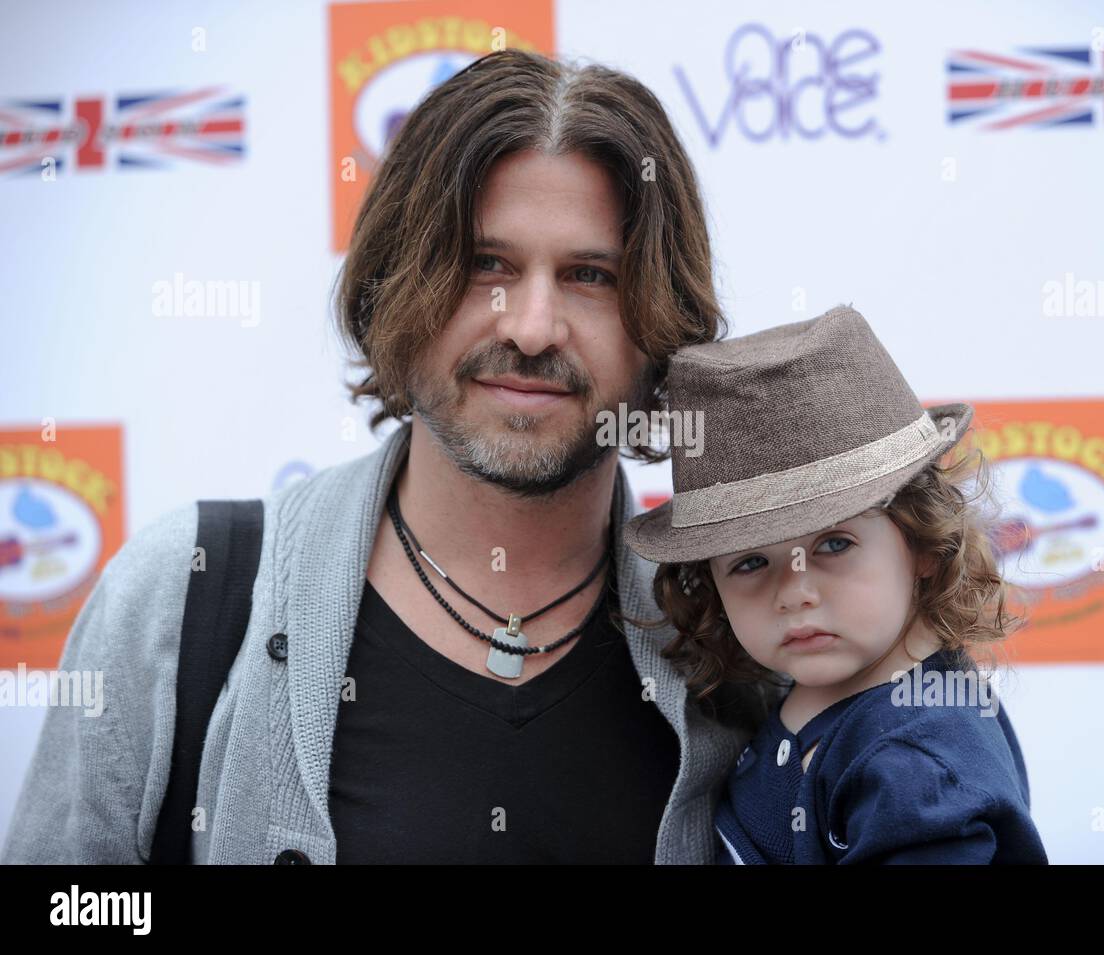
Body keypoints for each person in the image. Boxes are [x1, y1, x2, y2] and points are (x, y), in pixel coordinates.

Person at [1, 48, 780, 865]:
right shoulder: (187, 593)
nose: (532, 327)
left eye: (590, 275)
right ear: (396, 282)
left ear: (660, 317)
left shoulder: (744, 628)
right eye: (488, 266)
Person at [623, 304, 1051, 864]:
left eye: (833, 545)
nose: (795, 591)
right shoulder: (810, 689)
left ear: (921, 542)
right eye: (750, 562)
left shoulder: (916, 765)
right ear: (711, 586)